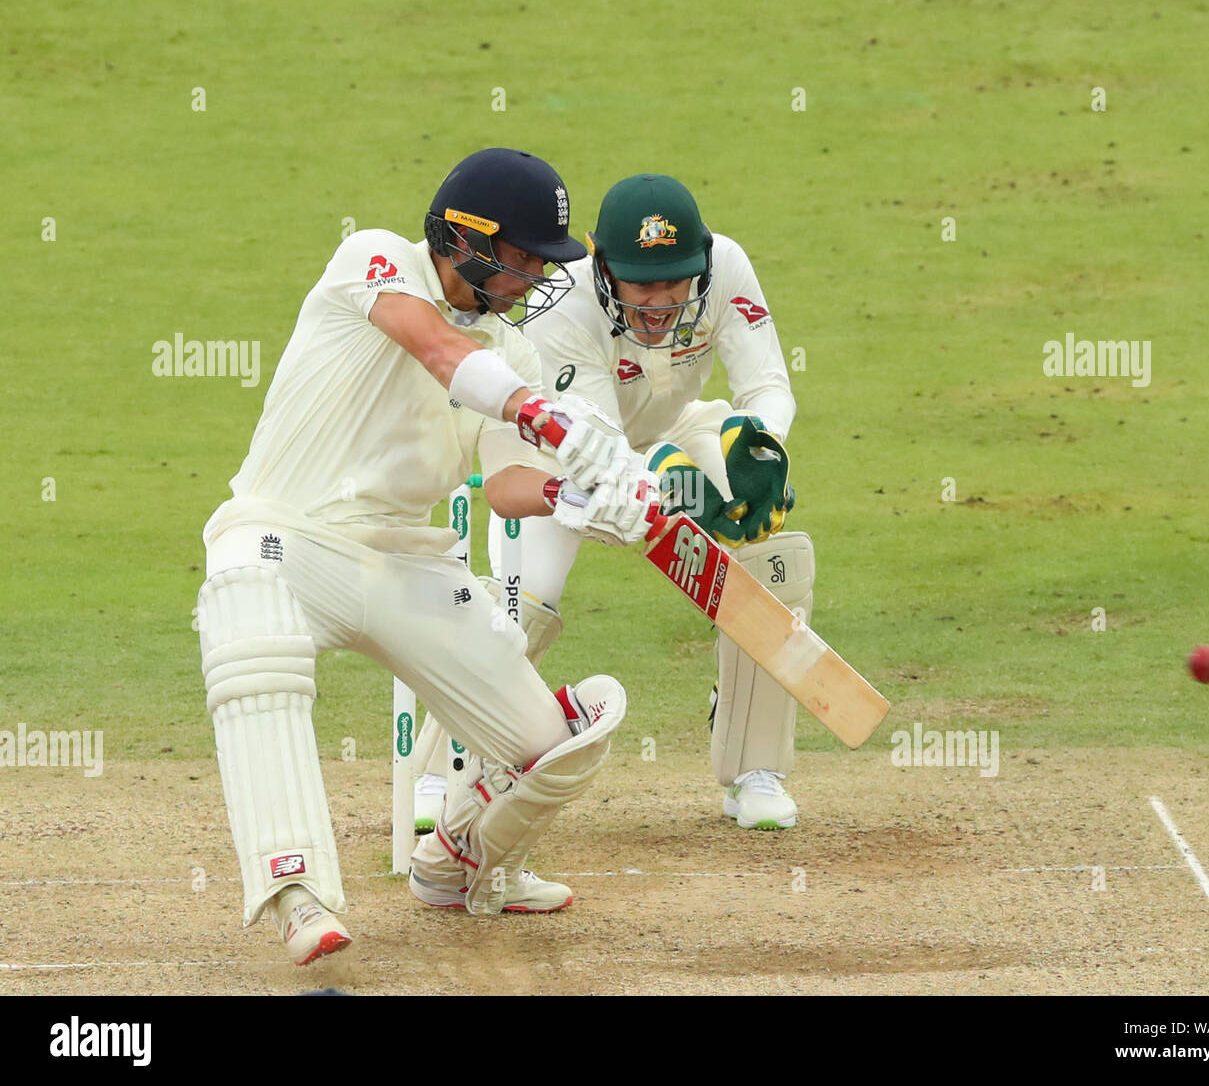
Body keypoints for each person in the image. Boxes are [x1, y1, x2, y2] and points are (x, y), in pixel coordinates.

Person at [197, 148, 657, 966]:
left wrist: (570, 498)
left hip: (410, 569)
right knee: (247, 609)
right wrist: (544, 412)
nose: (533, 282)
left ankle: (456, 863)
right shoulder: (373, 259)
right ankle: (295, 888)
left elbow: (508, 481)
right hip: (289, 535)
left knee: (556, 744)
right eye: (522, 261)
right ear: (466, 240)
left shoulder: (506, 356)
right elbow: (435, 347)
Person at [412, 173, 810, 831]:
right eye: (641, 284)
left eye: (676, 281)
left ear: (704, 263)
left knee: (773, 557)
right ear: (602, 271)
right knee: (525, 602)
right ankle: (441, 771)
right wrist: (669, 493)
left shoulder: (728, 266)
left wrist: (759, 447)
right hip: (557, 446)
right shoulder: (566, 308)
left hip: (669, 431)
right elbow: (600, 460)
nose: (659, 301)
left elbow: (768, 383)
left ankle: (754, 769)